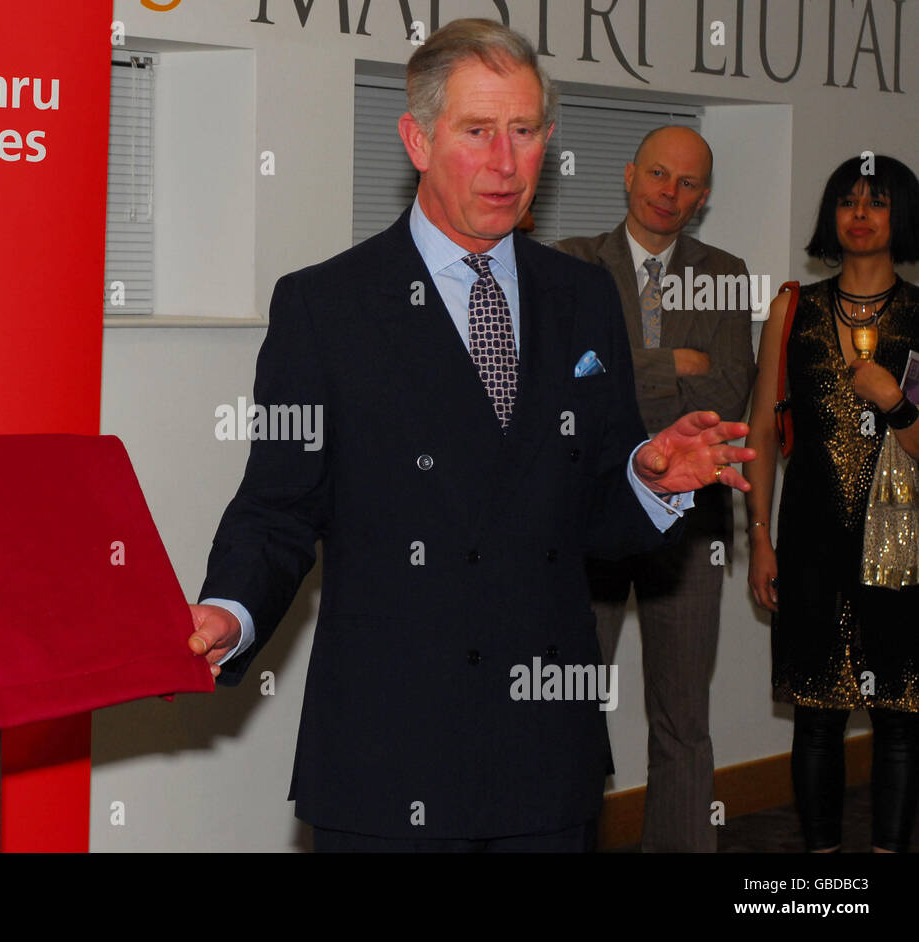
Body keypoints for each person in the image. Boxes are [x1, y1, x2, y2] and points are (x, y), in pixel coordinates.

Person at [188, 18, 753, 852]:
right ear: (418, 138)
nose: (505, 161)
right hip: (388, 757)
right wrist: (231, 609)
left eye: (525, 133)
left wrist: (648, 478)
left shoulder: (582, 298)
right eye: (478, 131)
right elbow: (276, 506)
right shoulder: (326, 308)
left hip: (545, 762)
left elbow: (593, 505)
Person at [553, 127, 757, 852]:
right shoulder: (572, 261)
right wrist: (675, 360)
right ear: (630, 174)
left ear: (703, 197)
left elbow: (731, 386)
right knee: (570, 709)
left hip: (692, 525)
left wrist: (622, 366)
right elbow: (568, 378)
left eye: (688, 183)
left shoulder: (726, 272)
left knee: (683, 719)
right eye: (659, 175)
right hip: (594, 513)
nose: (669, 194)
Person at [745, 154, 919, 853]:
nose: (859, 214)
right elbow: (760, 427)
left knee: (900, 720)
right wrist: (758, 534)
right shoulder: (793, 309)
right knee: (816, 716)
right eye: (847, 201)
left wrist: (894, 401)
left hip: (901, 548)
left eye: (876, 202)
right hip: (811, 540)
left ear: (900, 216)